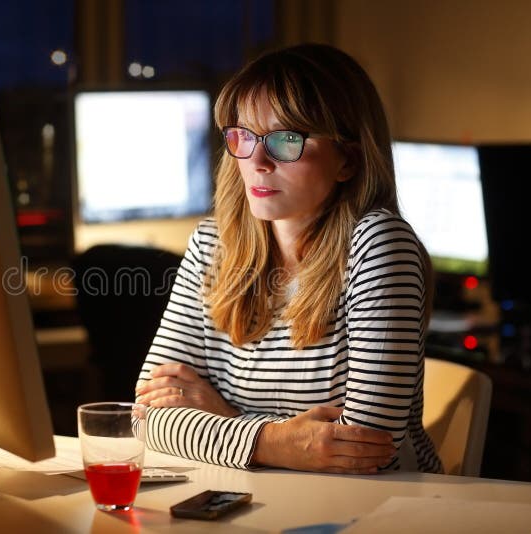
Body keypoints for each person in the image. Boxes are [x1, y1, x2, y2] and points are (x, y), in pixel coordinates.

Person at [134, 43, 442, 474]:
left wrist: (222, 418)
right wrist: (279, 442)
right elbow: (146, 418)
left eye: (286, 139)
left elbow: (366, 451)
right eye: (243, 135)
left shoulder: (378, 244)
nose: (257, 161)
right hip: (261, 502)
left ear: (347, 161)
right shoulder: (211, 245)